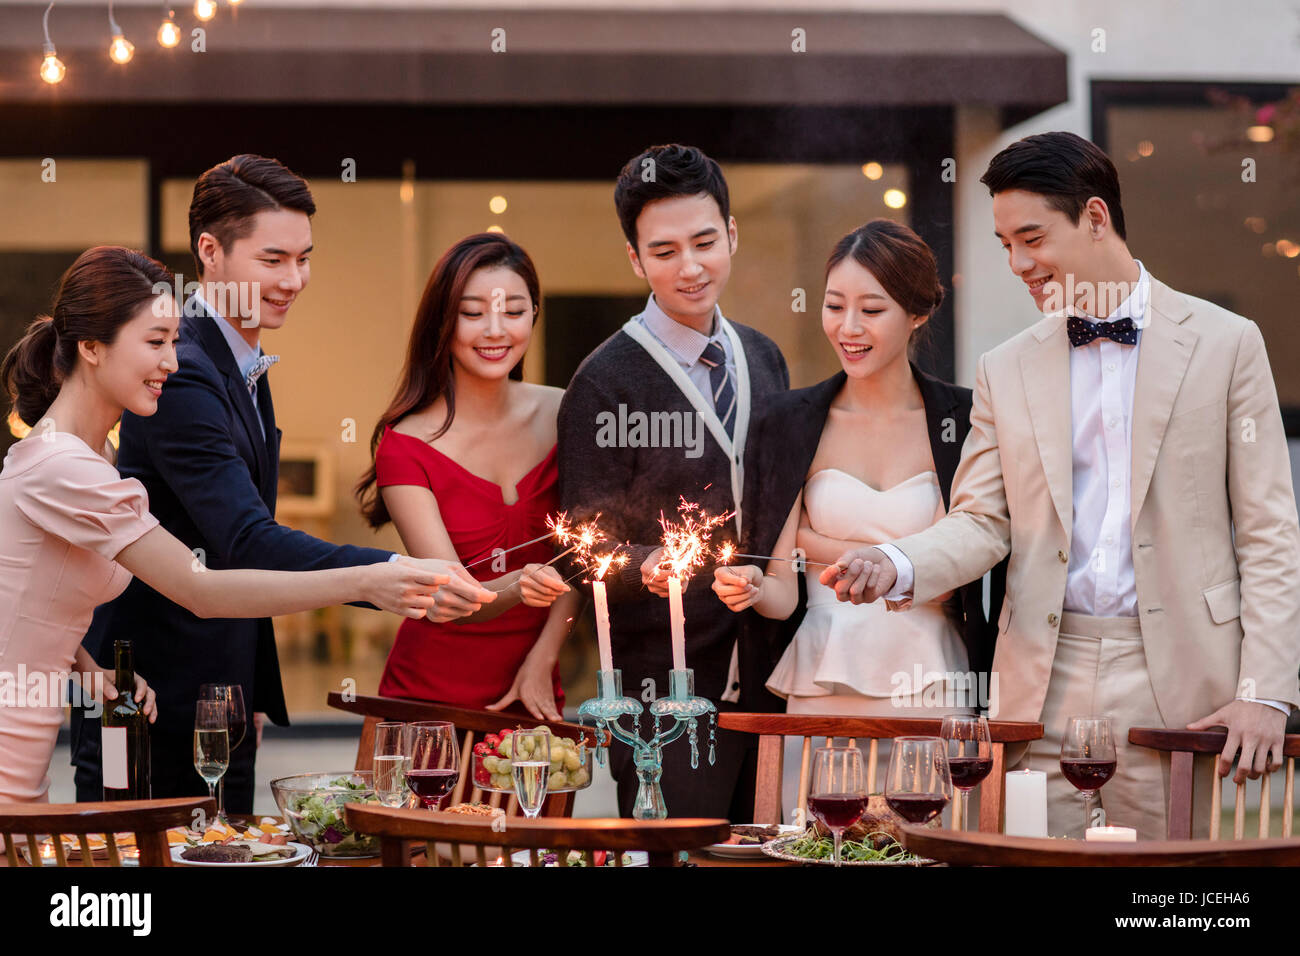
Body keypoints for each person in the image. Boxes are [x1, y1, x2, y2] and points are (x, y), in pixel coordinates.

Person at [822, 131, 1300, 839]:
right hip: (1038, 679)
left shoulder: (1228, 344)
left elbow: (1268, 534)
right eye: (1004, 243)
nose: (1018, 263)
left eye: (1031, 238)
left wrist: (1266, 691)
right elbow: (982, 520)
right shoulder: (1005, 366)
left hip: (1181, 682)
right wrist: (895, 562)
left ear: (1097, 218)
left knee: (1159, 899)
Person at [72, 156, 493, 811]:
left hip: (218, 700)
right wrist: (384, 572)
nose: (295, 279)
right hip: (152, 702)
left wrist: (249, 689)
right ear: (209, 250)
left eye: (304, 258)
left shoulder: (238, 354)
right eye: (273, 260)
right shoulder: (180, 368)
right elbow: (243, 538)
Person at [0, 246, 456, 805]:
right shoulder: (64, 466)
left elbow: (32, 595)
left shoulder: (84, 460)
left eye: (173, 340)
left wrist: (90, 670)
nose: (172, 360)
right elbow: (199, 588)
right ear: (91, 347)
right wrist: (366, 580)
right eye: (154, 342)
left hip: (24, 765)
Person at [713, 220, 1004, 816]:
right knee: (820, 839)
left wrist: (816, 543)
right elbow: (781, 593)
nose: (848, 328)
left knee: (924, 843)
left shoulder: (965, 417)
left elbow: (967, 557)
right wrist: (747, 586)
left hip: (932, 676)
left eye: (872, 309)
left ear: (918, 312)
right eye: (834, 306)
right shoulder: (787, 421)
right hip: (821, 674)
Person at [557, 144, 790, 819]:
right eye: (664, 252)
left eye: (705, 242)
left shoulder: (763, 355)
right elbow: (580, 547)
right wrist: (648, 564)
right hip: (666, 692)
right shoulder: (603, 382)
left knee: (766, 859)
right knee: (680, 855)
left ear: (732, 234)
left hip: (768, 672)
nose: (690, 268)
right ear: (635, 259)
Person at [356, 234, 575, 719]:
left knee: (535, 799)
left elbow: (588, 556)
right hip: (426, 703)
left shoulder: (568, 412)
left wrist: (545, 657)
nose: (494, 331)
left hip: (534, 692)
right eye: (473, 313)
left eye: (513, 311)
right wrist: (519, 584)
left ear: (534, 314)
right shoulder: (406, 444)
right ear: (444, 320)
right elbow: (449, 595)